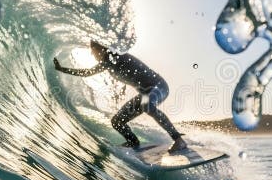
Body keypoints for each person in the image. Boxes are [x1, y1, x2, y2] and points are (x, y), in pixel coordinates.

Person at [54, 41, 187, 153]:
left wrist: (62, 69)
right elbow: (87, 72)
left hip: (159, 86)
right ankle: (133, 142)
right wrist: (62, 69)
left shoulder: (116, 55)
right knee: (117, 121)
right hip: (145, 94)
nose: (92, 54)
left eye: (93, 51)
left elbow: (120, 58)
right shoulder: (107, 63)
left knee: (147, 106)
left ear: (101, 48)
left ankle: (178, 140)